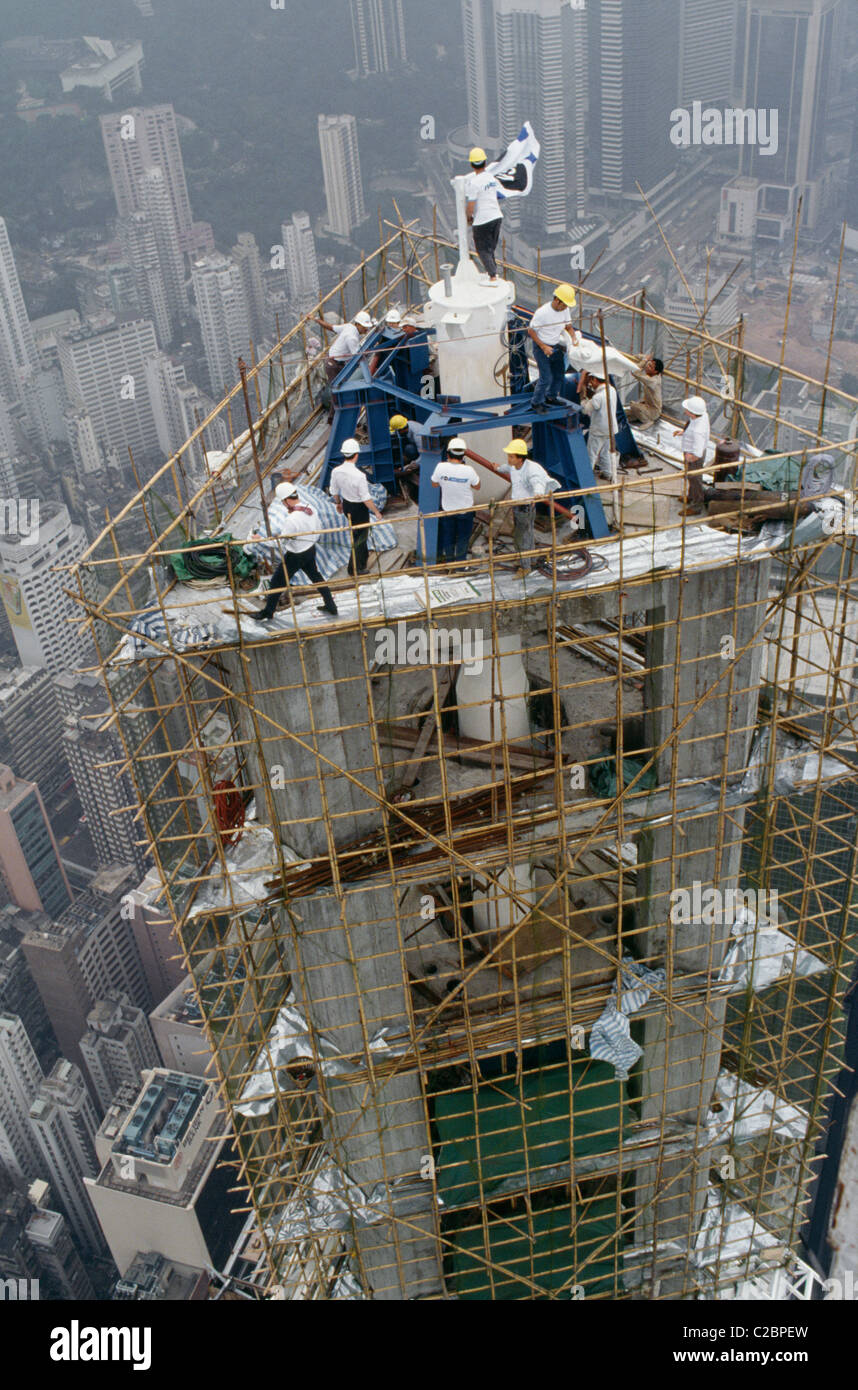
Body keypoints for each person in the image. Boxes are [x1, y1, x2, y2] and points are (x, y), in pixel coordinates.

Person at [251, 483, 338, 620]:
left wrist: (260, 539)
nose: (284, 505)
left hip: (295, 555)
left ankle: (268, 612)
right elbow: (318, 528)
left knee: (276, 582)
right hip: (310, 549)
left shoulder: (292, 519)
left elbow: (280, 543)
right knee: (316, 577)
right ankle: (331, 606)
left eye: (283, 502)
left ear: (286, 500)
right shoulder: (310, 508)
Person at [498, 439, 561, 576]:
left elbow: (537, 481)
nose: (509, 459)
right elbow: (507, 468)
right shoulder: (515, 466)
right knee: (526, 534)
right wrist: (497, 467)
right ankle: (529, 558)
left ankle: (525, 567)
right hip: (518, 506)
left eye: (511, 456)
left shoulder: (531, 469)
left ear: (520, 458)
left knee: (523, 537)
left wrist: (538, 492)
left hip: (524, 508)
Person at [328, 439, 384, 576]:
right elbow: (365, 498)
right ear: (356, 455)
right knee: (360, 537)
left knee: (356, 533)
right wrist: (376, 512)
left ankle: (363, 557)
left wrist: (338, 503)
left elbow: (334, 490)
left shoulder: (336, 471)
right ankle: (354, 568)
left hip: (347, 505)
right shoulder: (359, 476)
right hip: (359, 508)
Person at [311, 310, 374, 421]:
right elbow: (357, 357)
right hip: (333, 364)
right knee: (337, 390)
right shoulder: (352, 337)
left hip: (337, 361)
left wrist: (316, 320)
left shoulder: (349, 327)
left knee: (340, 388)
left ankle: (337, 412)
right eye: (364, 326)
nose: (366, 329)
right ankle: (332, 418)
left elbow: (331, 327)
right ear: (358, 324)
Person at [527, 285, 580, 412]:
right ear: (557, 300)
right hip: (541, 347)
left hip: (555, 345)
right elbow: (531, 331)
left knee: (559, 374)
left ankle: (551, 396)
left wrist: (573, 337)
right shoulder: (542, 313)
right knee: (546, 378)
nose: (565, 308)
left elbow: (568, 326)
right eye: (564, 304)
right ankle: (536, 402)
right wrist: (543, 346)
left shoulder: (564, 310)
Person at [431, 438, 481, 562]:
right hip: (465, 510)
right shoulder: (469, 470)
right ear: (463, 456)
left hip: (448, 510)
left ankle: (449, 563)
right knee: (463, 539)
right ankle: (460, 565)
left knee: (448, 537)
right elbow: (477, 486)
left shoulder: (440, 467)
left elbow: (434, 484)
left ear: (447, 454)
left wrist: (447, 480)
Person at [464, 148, 505, 283]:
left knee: (482, 249)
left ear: (471, 164)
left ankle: (493, 276)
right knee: (490, 248)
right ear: (485, 162)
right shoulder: (491, 178)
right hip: (496, 216)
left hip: (483, 220)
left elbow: (470, 206)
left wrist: (469, 218)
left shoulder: (474, 183)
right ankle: (493, 273)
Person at [578, 372, 620, 481]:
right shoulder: (612, 390)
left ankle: (586, 479)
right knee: (606, 452)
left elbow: (585, 410)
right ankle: (607, 473)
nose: (591, 383)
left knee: (591, 454)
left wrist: (583, 398)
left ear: (596, 380)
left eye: (592, 381)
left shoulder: (598, 397)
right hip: (610, 428)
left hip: (599, 430)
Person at [674, 396, 711, 512]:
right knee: (691, 477)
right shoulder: (702, 416)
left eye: (687, 410)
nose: (685, 411)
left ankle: (697, 505)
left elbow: (698, 453)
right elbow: (690, 424)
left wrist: (690, 457)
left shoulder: (698, 431)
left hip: (694, 457)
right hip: (692, 453)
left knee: (695, 479)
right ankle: (691, 496)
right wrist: (684, 432)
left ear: (693, 413)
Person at [625, 354, 664, 426]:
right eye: (648, 364)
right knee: (624, 414)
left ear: (655, 371)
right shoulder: (655, 375)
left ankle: (648, 420)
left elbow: (634, 372)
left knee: (633, 405)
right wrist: (644, 358)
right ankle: (640, 417)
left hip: (653, 411)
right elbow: (637, 356)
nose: (647, 367)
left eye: (650, 366)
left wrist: (644, 360)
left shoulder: (652, 380)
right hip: (646, 406)